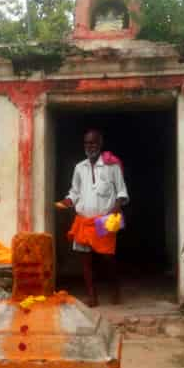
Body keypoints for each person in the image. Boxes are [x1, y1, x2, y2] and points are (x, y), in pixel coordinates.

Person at [55, 129, 127, 307]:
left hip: (104, 220)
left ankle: (115, 289)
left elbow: (122, 192)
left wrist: (117, 208)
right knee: (85, 260)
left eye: (93, 143)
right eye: (87, 143)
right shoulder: (79, 167)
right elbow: (75, 191)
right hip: (83, 220)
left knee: (107, 258)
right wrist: (68, 200)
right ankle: (92, 295)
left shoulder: (112, 166)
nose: (90, 146)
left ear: (100, 143)